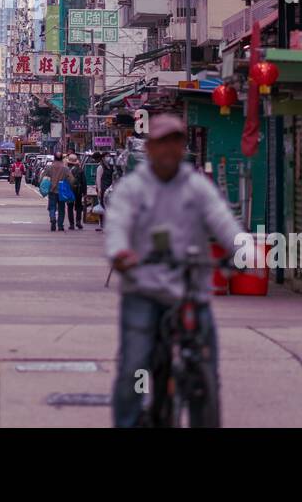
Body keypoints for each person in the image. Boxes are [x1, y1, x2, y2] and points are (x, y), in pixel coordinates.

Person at [104, 114, 250, 428]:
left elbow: (223, 221)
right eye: (161, 142)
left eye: (175, 142)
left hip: (191, 291)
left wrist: (243, 250)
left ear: (183, 146)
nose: (169, 149)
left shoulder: (196, 187)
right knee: (134, 367)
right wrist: (120, 253)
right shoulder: (133, 188)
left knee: (206, 367)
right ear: (150, 147)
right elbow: (117, 225)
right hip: (144, 290)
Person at [46, 153, 72, 231]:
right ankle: (60, 225)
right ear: (61, 158)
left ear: (54, 158)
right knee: (61, 208)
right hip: (62, 190)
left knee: (52, 207)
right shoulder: (65, 168)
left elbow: (44, 177)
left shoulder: (50, 167)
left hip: (52, 190)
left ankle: (53, 218)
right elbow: (71, 179)